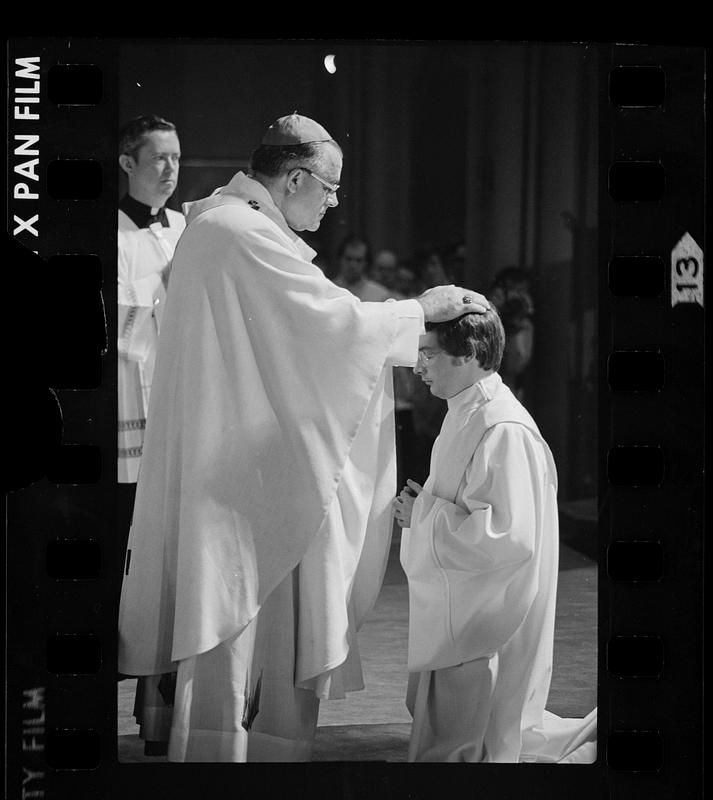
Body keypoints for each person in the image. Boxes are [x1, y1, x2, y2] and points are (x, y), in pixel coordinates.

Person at [117, 112, 489, 763]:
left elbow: (304, 335)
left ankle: (231, 749)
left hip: (239, 464)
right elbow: (327, 327)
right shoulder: (238, 232)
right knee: (235, 626)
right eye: (330, 185)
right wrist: (418, 310)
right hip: (237, 483)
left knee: (243, 629)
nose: (335, 200)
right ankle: (226, 759)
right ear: (294, 176)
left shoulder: (225, 222)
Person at [393, 306, 596, 763]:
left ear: (467, 354)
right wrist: (425, 507)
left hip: (489, 611)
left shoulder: (502, 427)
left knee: (469, 751)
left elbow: (507, 537)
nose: (418, 367)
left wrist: (422, 514)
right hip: (468, 599)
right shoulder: (464, 410)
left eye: (428, 354)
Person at [117, 113, 185, 756]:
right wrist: (170, 310)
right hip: (123, 427)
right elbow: (115, 324)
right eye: (157, 157)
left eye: (175, 157)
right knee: (119, 570)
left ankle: (160, 720)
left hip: (179, 424)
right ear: (127, 163)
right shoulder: (108, 234)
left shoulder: (187, 230)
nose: (169, 168)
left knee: (169, 574)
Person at [488, 265, 535, 404]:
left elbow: (519, 361)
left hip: (512, 390)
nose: (517, 298)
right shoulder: (485, 318)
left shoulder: (524, 324)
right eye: (513, 291)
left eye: (522, 291)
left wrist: (519, 318)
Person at [333, 234, 393, 301]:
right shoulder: (327, 291)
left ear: (366, 263)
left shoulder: (381, 295)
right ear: (340, 259)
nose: (353, 265)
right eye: (348, 259)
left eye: (358, 260)